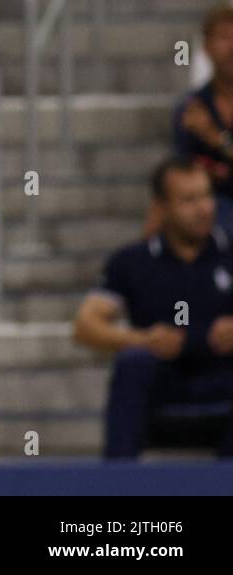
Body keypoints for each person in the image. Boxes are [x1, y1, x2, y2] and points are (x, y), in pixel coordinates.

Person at [73, 158, 233, 458]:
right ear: (162, 208)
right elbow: (85, 326)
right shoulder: (133, 262)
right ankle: (118, 483)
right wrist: (143, 340)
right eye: (189, 200)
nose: (204, 208)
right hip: (162, 380)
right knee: (133, 363)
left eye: (207, 195)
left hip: (222, 375)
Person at [175, 5, 233, 235]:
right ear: (207, 47)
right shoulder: (193, 107)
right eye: (224, 38)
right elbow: (184, 171)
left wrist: (215, 138)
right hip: (212, 206)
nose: (231, 47)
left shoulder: (202, 120)